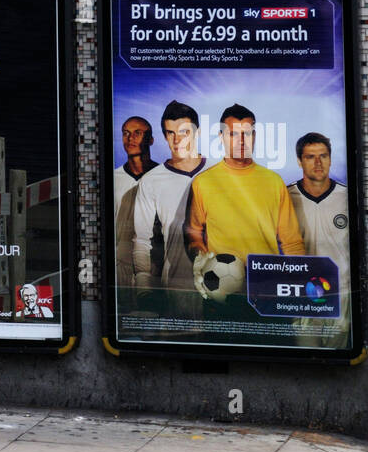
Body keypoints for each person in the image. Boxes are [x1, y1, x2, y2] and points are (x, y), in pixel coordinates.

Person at [185, 105, 305, 295]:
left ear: (255, 136)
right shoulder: (203, 183)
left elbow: (291, 243)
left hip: (267, 287)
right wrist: (200, 257)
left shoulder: (274, 182)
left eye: (247, 134)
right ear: (221, 136)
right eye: (233, 134)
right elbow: (194, 233)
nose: (241, 141)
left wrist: (300, 289)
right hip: (221, 288)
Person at [132, 100, 209, 325]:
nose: (177, 140)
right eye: (170, 133)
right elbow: (141, 241)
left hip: (222, 285)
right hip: (178, 287)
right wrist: (144, 290)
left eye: (184, 132)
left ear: (198, 132)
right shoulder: (151, 181)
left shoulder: (218, 171)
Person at [288, 132, 351, 349]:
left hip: (340, 294)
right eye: (310, 157)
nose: (318, 163)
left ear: (330, 159)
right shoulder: (286, 197)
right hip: (301, 295)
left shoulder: (347, 198)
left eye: (323, 156)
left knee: (339, 361)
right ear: (299, 161)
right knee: (307, 357)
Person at [113, 116, 157, 290]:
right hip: (120, 269)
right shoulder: (114, 179)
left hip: (155, 269)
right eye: (126, 133)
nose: (130, 138)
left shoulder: (163, 177)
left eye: (137, 133)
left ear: (151, 139)